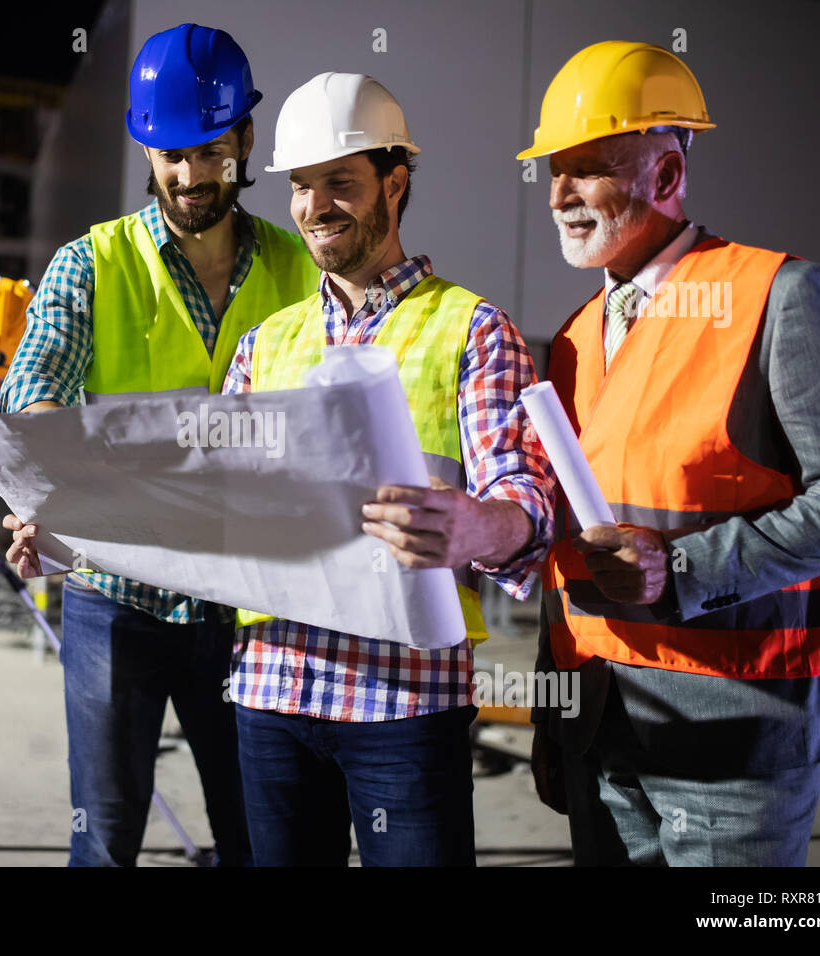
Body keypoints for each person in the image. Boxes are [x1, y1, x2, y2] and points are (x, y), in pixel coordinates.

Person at [522, 40, 820, 865]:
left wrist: (680, 569)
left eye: (590, 168)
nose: (562, 195)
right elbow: (572, 545)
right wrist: (551, 711)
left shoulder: (780, 295)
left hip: (733, 745)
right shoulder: (578, 337)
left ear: (666, 175)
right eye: (554, 171)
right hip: (600, 731)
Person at [0, 23, 318, 867]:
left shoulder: (303, 273)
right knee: (104, 842)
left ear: (246, 140)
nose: (187, 177)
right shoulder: (90, 265)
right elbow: (31, 400)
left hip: (251, 603)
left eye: (209, 151)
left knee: (259, 838)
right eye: (168, 154)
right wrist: (43, 493)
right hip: (118, 595)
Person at [221, 72, 556, 866]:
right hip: (270, 689)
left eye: (340, 183)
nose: (313, 206)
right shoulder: (262, 344)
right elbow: (214, 501)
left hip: (402, 702)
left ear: (394, 185)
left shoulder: (471, 330)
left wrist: (484, 524)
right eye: (301, 186)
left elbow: (527, 499)